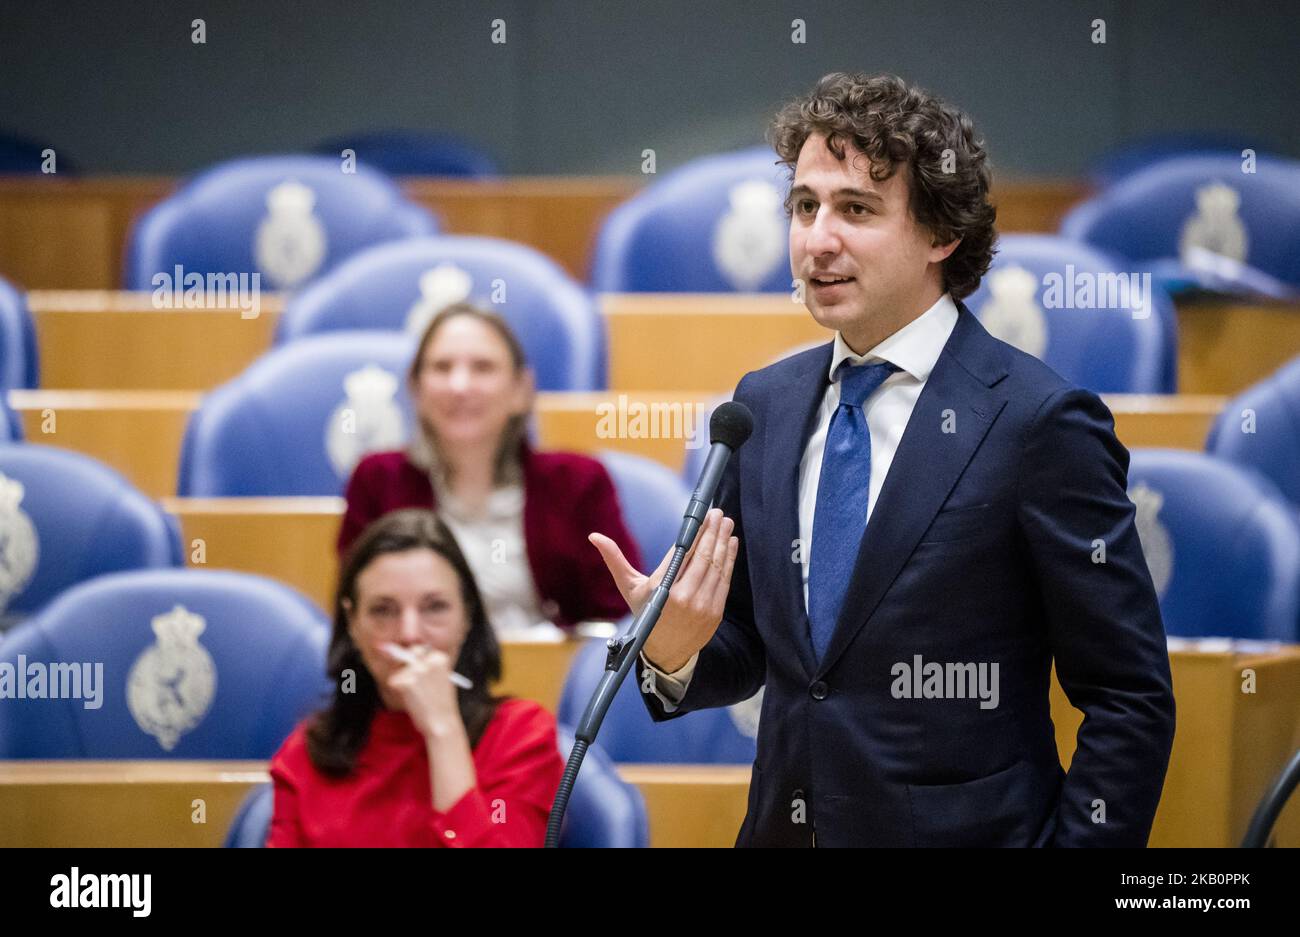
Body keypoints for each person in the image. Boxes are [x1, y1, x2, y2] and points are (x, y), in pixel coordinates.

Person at [590, 73, 1176, 847]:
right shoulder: (762, 405)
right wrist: (673, 651)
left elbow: (1128, 696)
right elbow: (765, 654)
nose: (816, 239)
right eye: (805, 206)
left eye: (856, 209)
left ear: (941, 234)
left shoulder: (1037, 423)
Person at [338, 302, 641, 633]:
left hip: (549, 680)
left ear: (520, 391)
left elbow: (622, 621)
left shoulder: (578, 482)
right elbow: (358, 619)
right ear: (416, 389)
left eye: (482, 368)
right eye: (441, 367)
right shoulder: (377, 480)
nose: (459, 386)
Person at [269, 509, 564, 847]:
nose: (409, 634)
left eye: (434, 607)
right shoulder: (305, 753)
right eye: (383, 610)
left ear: (467, 616)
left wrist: (442, 730)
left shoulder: (521, 737)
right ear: (352, 624)